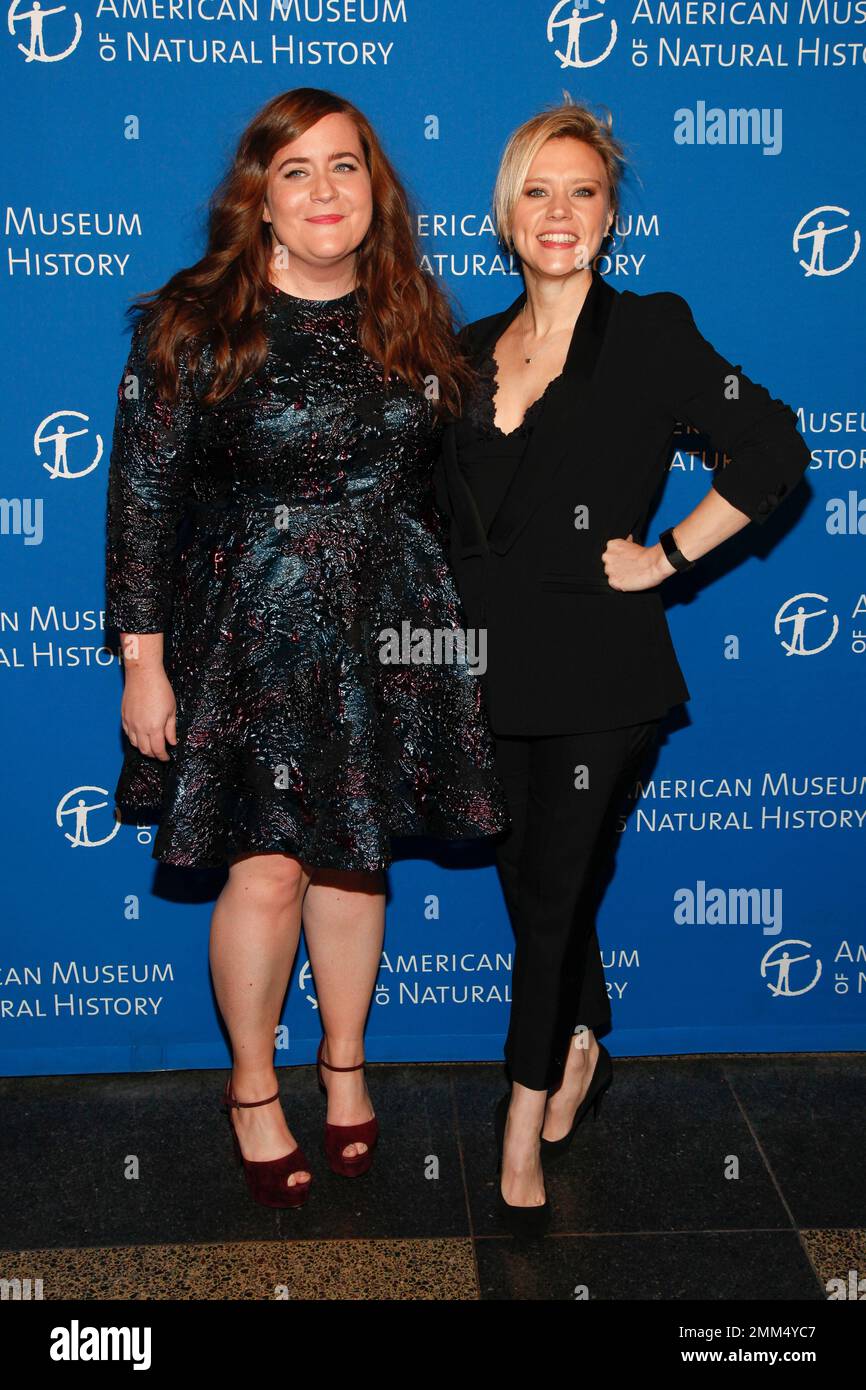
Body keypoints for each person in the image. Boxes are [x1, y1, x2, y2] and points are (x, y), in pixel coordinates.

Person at [105, 87, 509, 1209]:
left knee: (353, 851)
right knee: (269, 863)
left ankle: (342, 1067)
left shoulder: (411, 313)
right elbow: (140, 500)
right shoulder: (193, 324)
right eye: (297, 171)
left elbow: (446, 484)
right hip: (252, 629)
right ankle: (249, 1084)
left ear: (375, 192)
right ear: (261, 201)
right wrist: (144, 660)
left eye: (345, 167)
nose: (324, 190)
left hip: (391, 624)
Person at [434, 97, 811, 1236]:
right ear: (505, 211)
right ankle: (581, 1029)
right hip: (480, 673)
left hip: (601, 674)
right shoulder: (459, 350)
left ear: (608, 216)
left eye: (582, 192)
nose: (559, 213)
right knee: (529, 880)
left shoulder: (650, 333)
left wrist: (668, 558)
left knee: (549, 899)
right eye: (537, 191)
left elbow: (775, 444)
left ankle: (517, 1126)